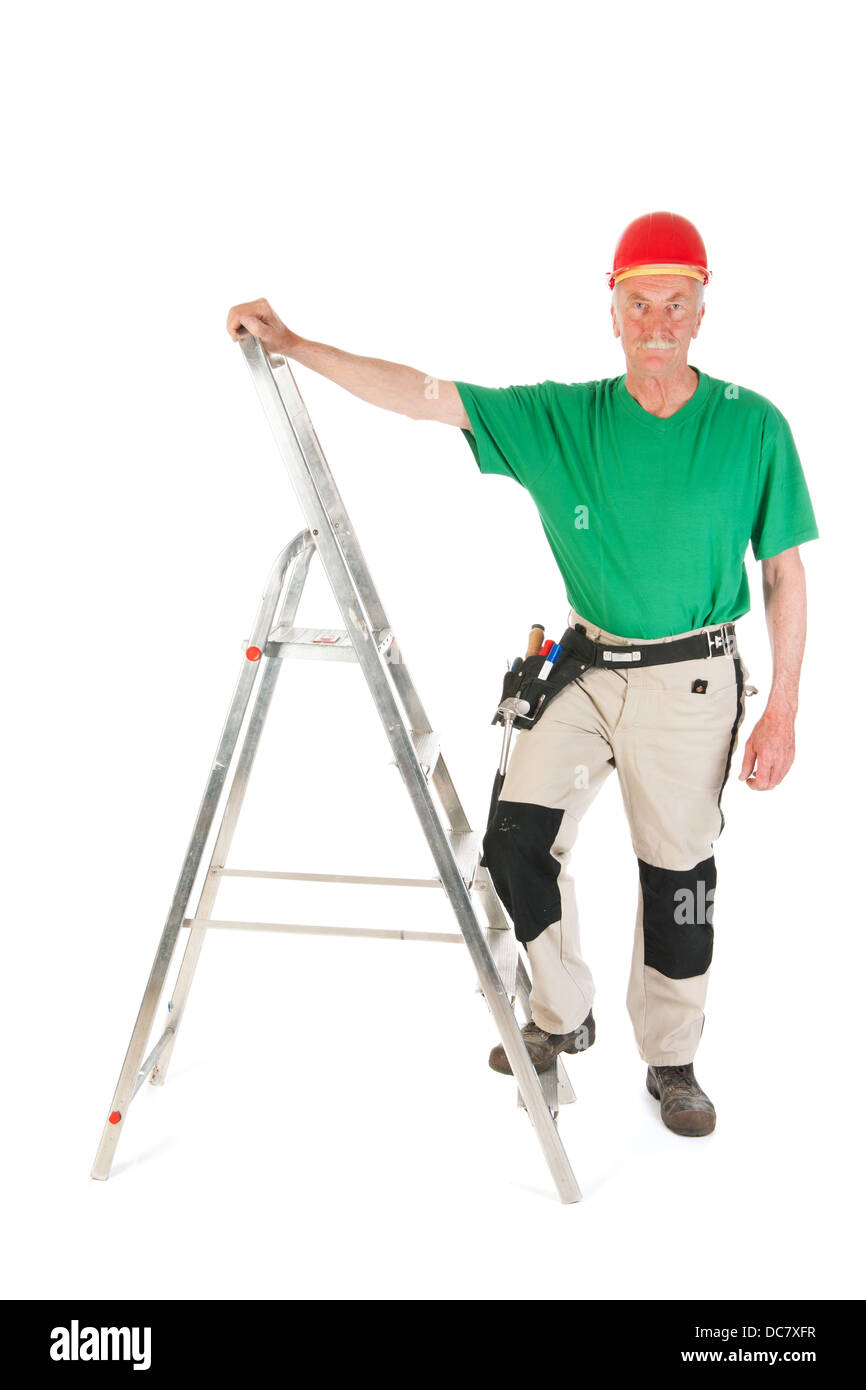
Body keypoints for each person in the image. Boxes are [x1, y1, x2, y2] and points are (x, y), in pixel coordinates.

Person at [225, 210, 819, 1137]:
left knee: (679, 879)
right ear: (611, 313)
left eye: (676, 303)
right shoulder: (560, 416)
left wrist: (781, 707)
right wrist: (296, 344)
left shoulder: (754, 427)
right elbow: (426, 396)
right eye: (638, 303)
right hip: (585, 670)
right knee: (512, 842)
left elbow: (784, 573)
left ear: (702, 311)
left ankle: (672, 1062)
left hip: (691, 685)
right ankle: (561, 1012)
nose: (656, 320)